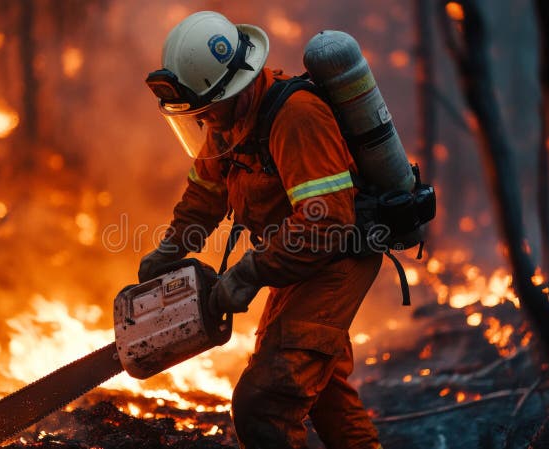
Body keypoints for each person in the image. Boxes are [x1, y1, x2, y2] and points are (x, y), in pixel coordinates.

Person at [140, 11, 384, 449]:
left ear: (231, 88)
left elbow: (326, 222)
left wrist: (251, 272)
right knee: (326, 396)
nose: (203, 123)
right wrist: (170, 249)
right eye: (197, 114)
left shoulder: (296, 117)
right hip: (296, 261)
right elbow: (205, 195)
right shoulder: (226, 120)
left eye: (206, 111)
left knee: (265, 401)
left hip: (336, 261)